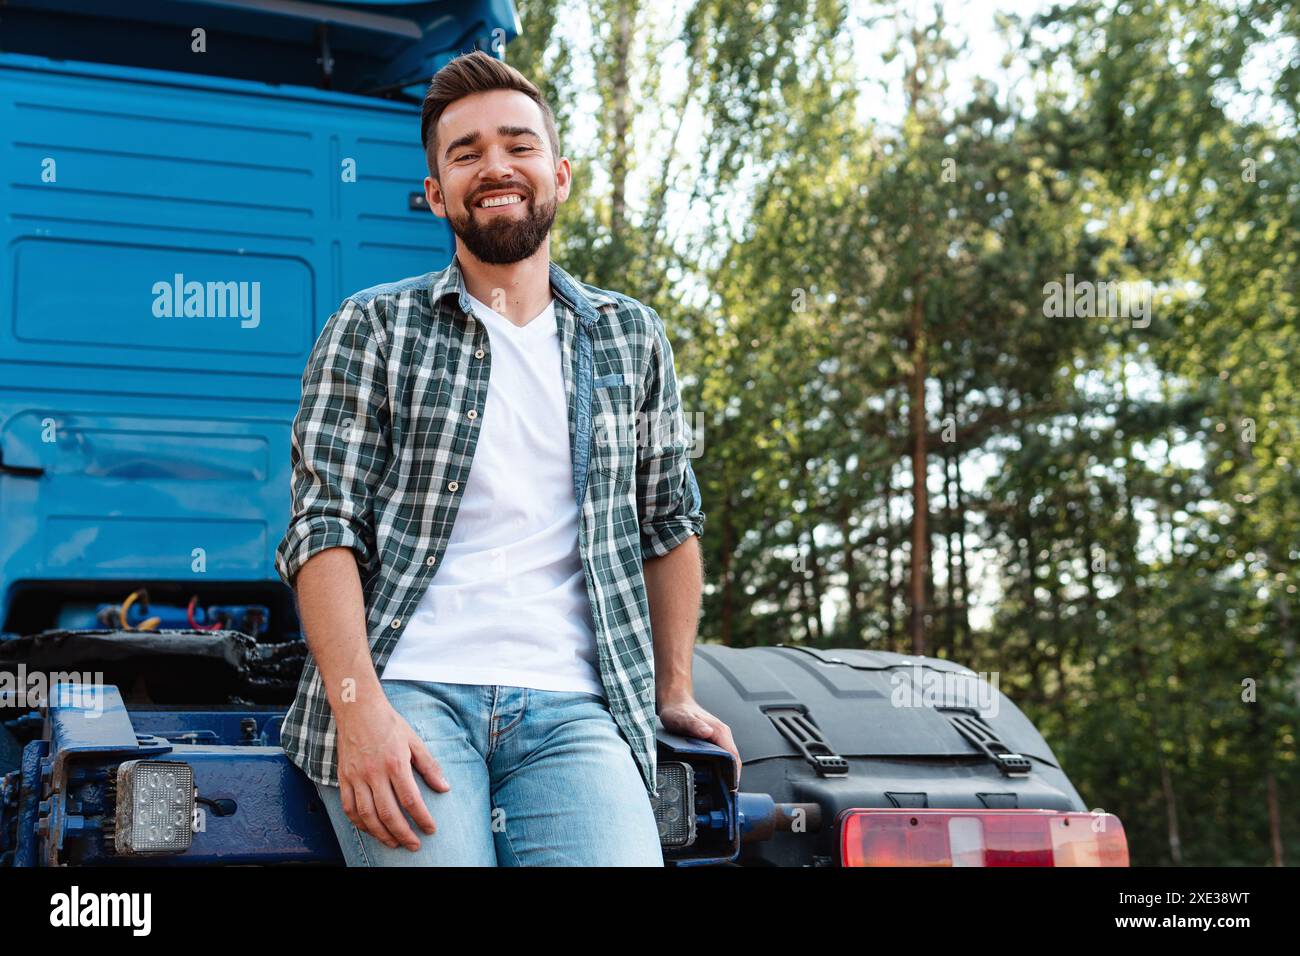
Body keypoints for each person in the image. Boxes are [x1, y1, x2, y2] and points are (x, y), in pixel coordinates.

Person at [274, 50, 739, 866]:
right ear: (434, 194)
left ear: (558, 174)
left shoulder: (630, 337)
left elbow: (670, 519)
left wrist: (674, 691)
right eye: (466, 153)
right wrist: (359, 713)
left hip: (578, 715)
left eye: (518, 145)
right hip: (407, 694)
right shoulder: (372, 327)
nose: (496, 167)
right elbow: (323, 529)